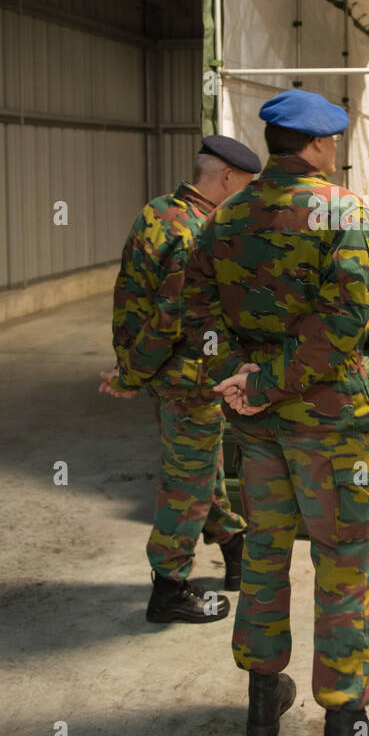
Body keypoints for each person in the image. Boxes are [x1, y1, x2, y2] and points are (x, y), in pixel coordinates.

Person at [182, 89, 369, 736]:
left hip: (255, 426)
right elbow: (344, 325)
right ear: (320, 146)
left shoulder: (225, 214)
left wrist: (232, 373)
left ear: (273, 144)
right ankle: (345, 733)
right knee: (342, 563)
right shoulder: (341, 212)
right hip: (326, 425)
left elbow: (195, 308)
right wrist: (264, 382)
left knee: (264, 549)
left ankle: (264, 698)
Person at [99, 136, 260, 624]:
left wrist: (132, 365)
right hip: (187, 376)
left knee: (199, 464)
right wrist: (130, 374)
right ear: (227, 179)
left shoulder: (159, 210)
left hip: (169, 372)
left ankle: (233, 545)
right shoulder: (198, 232)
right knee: (185, 481)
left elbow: (132, 297)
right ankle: (169, 587)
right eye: (246, 186)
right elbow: (170, 318)